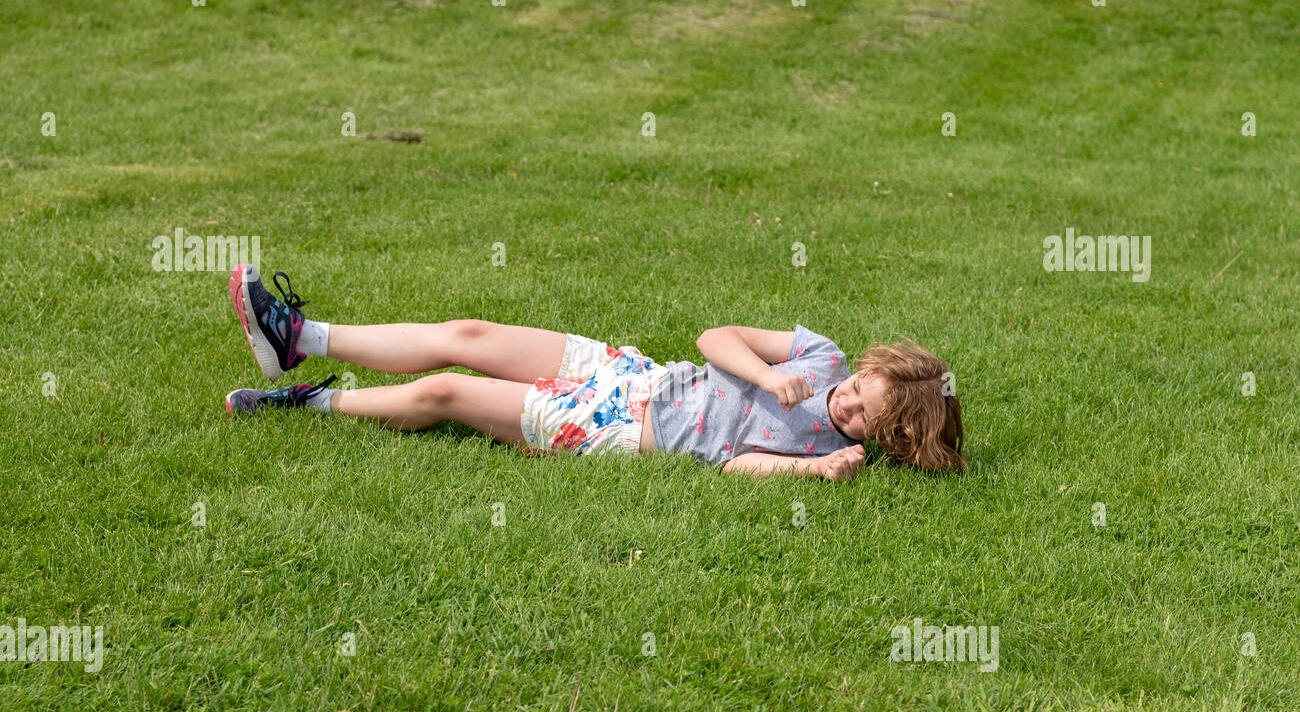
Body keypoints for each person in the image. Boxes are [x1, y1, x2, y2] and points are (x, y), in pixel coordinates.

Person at [225, 265, 966, 481]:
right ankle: (298, 336)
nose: (845, 406)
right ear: (862, 367)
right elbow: (715, 337)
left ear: (893, 441)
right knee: (469, 333)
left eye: (865, 418)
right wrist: (771, 378)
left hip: (622, 428)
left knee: (445, 392)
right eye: (856, 392)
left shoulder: (829, 451)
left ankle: (302, 403)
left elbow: (734, 465)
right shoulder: (821, 358)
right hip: (629, 373)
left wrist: (816, 470)